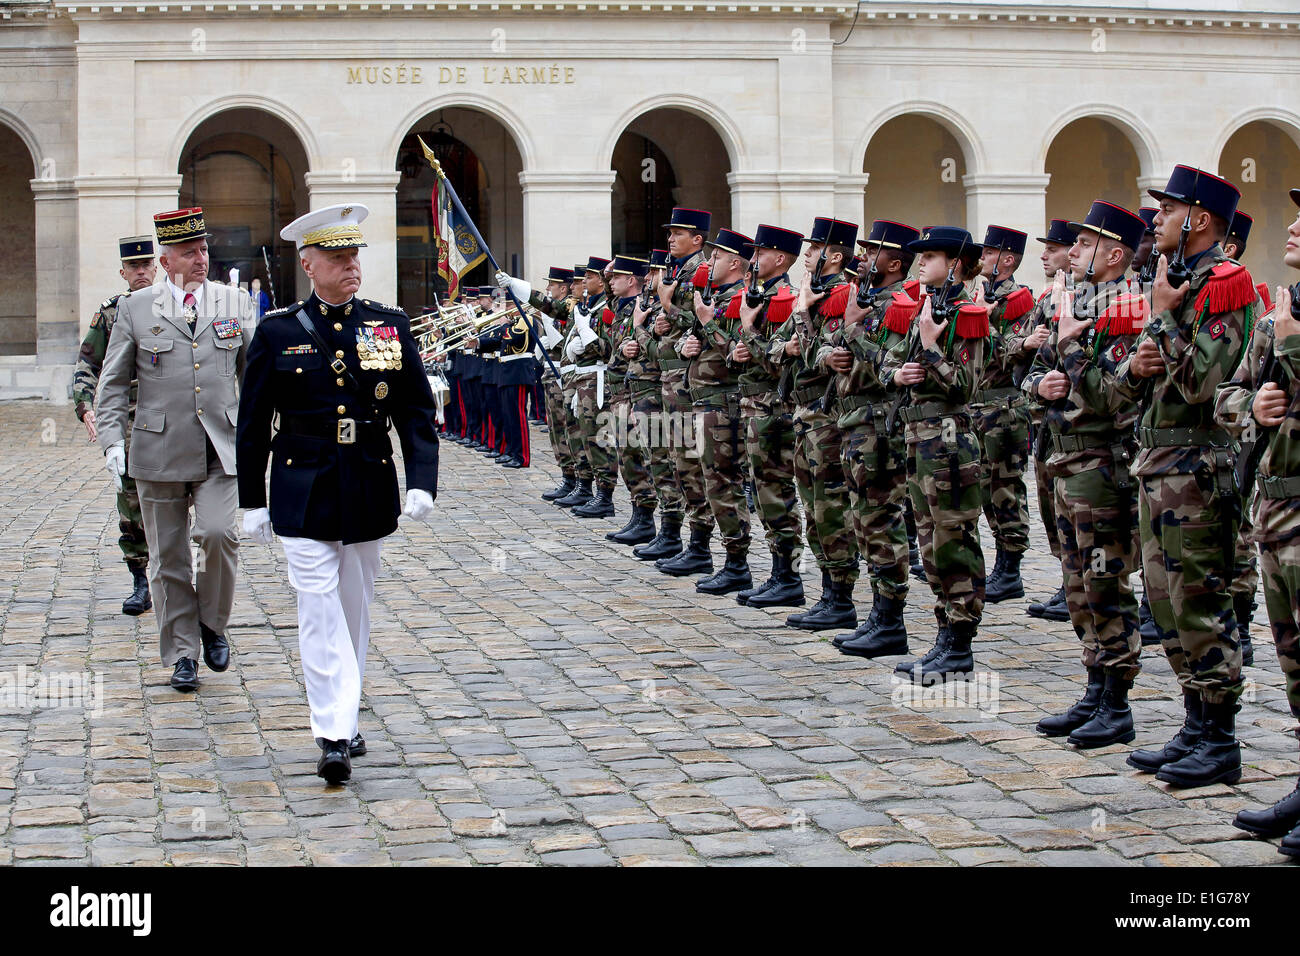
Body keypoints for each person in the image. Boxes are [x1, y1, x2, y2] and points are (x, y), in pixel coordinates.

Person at [236, 203, 439, 784]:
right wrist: (251, 499)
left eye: (355, 257)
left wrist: (421, 480)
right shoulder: (277, 331)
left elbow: (415, 410)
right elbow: (253, 423)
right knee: (318, 607)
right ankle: (332, 732)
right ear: (309, 264)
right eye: (338, 257)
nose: (352, 267)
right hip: (301, 485)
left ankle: (346, 717)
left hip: (368, 482)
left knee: (353, 608)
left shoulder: (386, 325)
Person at [1117, 165, 1257, 788]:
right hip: (1159, 463)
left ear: (1199, 218)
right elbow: (1145, 378)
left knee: (1200, 599)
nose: (1156, 219)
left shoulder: (1225, 286)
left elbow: (1204, 383)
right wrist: (1149, 348)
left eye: (1168, 209)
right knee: (1165, 602)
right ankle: (1195, 723)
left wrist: (1167, 320)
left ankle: (1220, 739)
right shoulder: (1173, 282)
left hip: (1198, 465)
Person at [96, 207, 254, 692]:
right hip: (158, 449)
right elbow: (113, 382)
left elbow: (256, 373)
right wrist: (111, 441)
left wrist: (263, 433)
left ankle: (212, 623)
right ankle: (182, 652)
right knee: (167, 557)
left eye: (204, 249)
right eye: (189, 252)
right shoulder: (136, 308)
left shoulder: (235, 302)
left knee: (218, 535)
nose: (201, 258)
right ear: (165, 261)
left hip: (219, 447)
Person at [1024, 200, 1148, 748]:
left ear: (1115, 253)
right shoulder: (1069, 301)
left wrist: (1070, 351)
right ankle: (1095, 684)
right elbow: (1032, 371)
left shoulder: (1129, 307)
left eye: (1085, 242)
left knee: (1104, 582)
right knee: (1076, 583)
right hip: (1062, 459)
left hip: (1103, 465)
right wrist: (1040, 385)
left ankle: (1117, 700)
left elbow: (1112, 394)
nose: (1072, 250)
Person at [1216, 186, 1300, 857]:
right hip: (1274, 515)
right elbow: (1228, 394)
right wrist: (1255, 406)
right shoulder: (1278, 319)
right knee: (1292, 663)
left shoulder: (1289, 327)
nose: (1293, 228)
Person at [880, 227, 988, 681]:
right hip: (918, 438)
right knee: (928, 542)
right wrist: (899, 373)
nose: (920, 262)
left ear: (957, 263)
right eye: (919, 255)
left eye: (931, 255)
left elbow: (967, 385)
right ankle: (944, 634)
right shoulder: (924, 307)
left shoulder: (968, 314)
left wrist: (930, 348)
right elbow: (886, 362)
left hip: (950, 441)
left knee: (954, 541)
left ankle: (960, 642)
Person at [825, 219, 922, 657]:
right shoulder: (867, 301)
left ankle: (890, 621)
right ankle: (878, 616)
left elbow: (889, 367)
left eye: (873, 250)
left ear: (895, 262)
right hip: (854, 423)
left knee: (881, 522)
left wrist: (851, 328)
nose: (862, 256)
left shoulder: (898, 306)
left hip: (880, 426)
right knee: (863, 522)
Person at [766, 217, 860, 630]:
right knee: (813, 508)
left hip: (829, 417)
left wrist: (802, 321)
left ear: (834, 255)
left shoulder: (840, 297)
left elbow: (828, 354)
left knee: (831, 510)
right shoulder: (812, 294)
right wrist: (792, 341)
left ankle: (840, 597)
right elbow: (776, 347)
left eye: (814, 247)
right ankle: (827, 591)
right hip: (804, 416)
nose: (806, 255)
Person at [73, 235, 158, 616]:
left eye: (146, 265)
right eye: (133, 267)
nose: (141, 272)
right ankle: (140, 579)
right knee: (131, 500)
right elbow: (87, 365)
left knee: (178, 495)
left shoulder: (175, 306)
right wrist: (85, 406)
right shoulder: (111, 313)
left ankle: (175, 573)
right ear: (123, 272)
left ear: (156, 267)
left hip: (172, 417)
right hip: (127, 419)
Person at [731, 225, 804, 606]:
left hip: (774, 408)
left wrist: (748, 332)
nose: (752, 259)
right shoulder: (756, 295)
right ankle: (779, 573)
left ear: (779, 259)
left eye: (760, 253)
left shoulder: (787, 299)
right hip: (751, 405)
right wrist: (737, 350)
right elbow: (741, 352)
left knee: (777, 493)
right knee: (762, 493)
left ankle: (790, 577)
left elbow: (783, 356)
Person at [681, 228, 755, 593]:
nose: (709, 263)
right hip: (703, 399)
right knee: (711, 481)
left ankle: (738, 563)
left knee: (724, 482)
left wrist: (709, 325)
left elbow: (741, 352)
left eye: (717, 257)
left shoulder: (742, 299)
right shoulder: (716, 297)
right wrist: (688, 341)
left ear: (735, 262)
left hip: (724, 401)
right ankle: (725, 558)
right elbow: (693, 340)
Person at [975, 225, 1036, 603]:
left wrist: (986, 320)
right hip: (980, 406)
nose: (981, 258)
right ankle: (1000, 562)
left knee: (1005, 488)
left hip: (1004, 407)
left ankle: (1010, 567)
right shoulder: (982, 295)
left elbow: (1013, 353)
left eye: (988, 252)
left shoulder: (1018, 301)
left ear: (1007, 259)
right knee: (986, 489)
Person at [652, 208, 712, 573]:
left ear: (697, 239)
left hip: (689, 384)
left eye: (678, 233)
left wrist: (668, 308)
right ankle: (680, 536)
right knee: (675, 463)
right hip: (671, 382)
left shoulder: (701, 274)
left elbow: (703, 321)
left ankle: (699, 545)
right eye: (669, 232)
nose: (671, 239)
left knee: (690, 465)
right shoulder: (677, 272)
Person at [1024, 220, 1074, 623]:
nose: (1046, 254)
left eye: (1054, 247)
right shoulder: (1046, 299)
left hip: (1078, 425)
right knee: (1049, 504)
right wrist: (1026, 344)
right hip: (1044, 420)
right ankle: (1066, 579)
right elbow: (1017, 350)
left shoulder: (1096, 298)